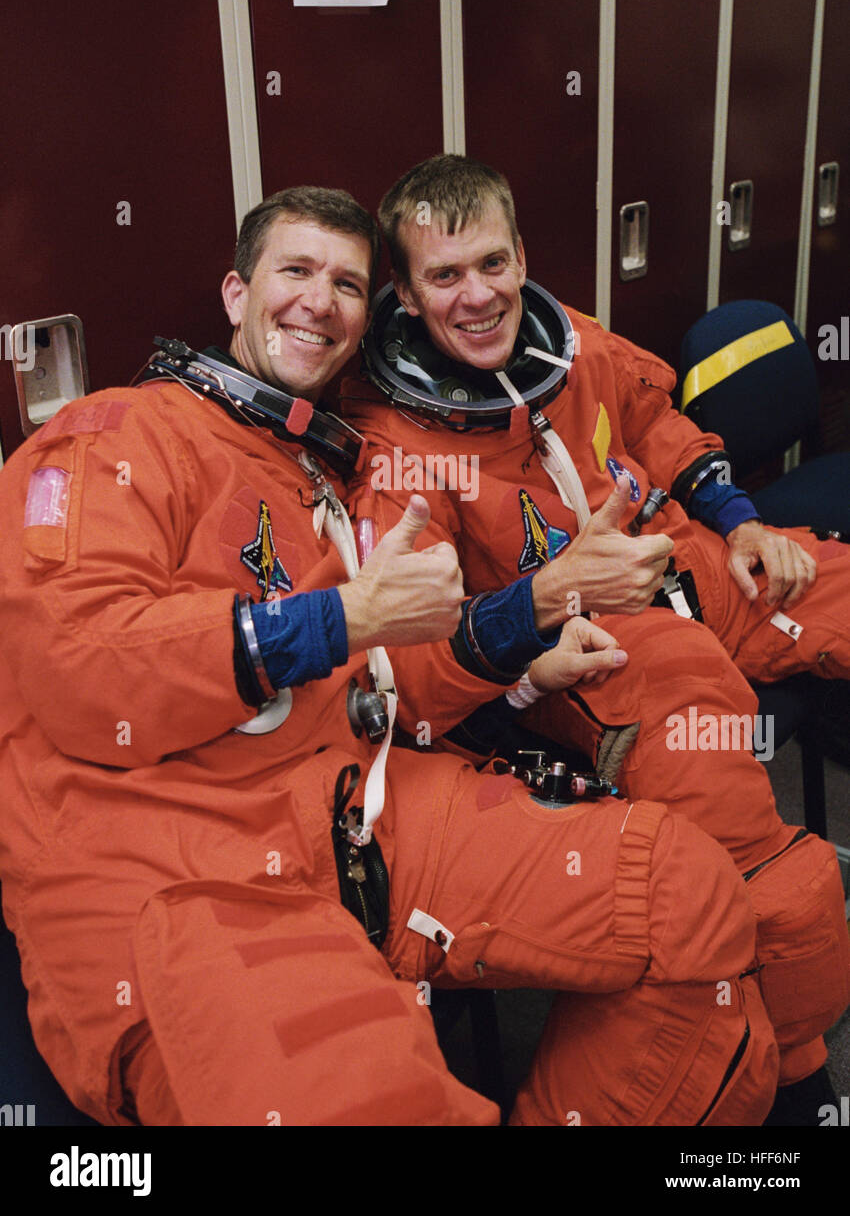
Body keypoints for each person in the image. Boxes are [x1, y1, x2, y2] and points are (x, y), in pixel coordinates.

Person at [0, 185, 780, 1129]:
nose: (319, 302)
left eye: (347, 284)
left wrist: (528, 617)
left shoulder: (326, 468)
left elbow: (401, 695)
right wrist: (339, 617)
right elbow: (83, 667)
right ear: (236, 295)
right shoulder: (108, 440)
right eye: (295, 272)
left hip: (353, 811)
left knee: (693, 898)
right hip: (177, 868)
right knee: (361, 1103)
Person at [341, 154, 850, 1125]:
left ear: (521, 255)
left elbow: (660, 424)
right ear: (404, 294)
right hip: (598, 643)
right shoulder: (397, 442)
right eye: (443, 276)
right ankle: (798, 1082)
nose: (478, 295)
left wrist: (741, 520)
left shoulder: (565, 338)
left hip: (695, 561)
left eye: (492, 263)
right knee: (759, 854)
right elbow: (413, 638)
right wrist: (539, 610)